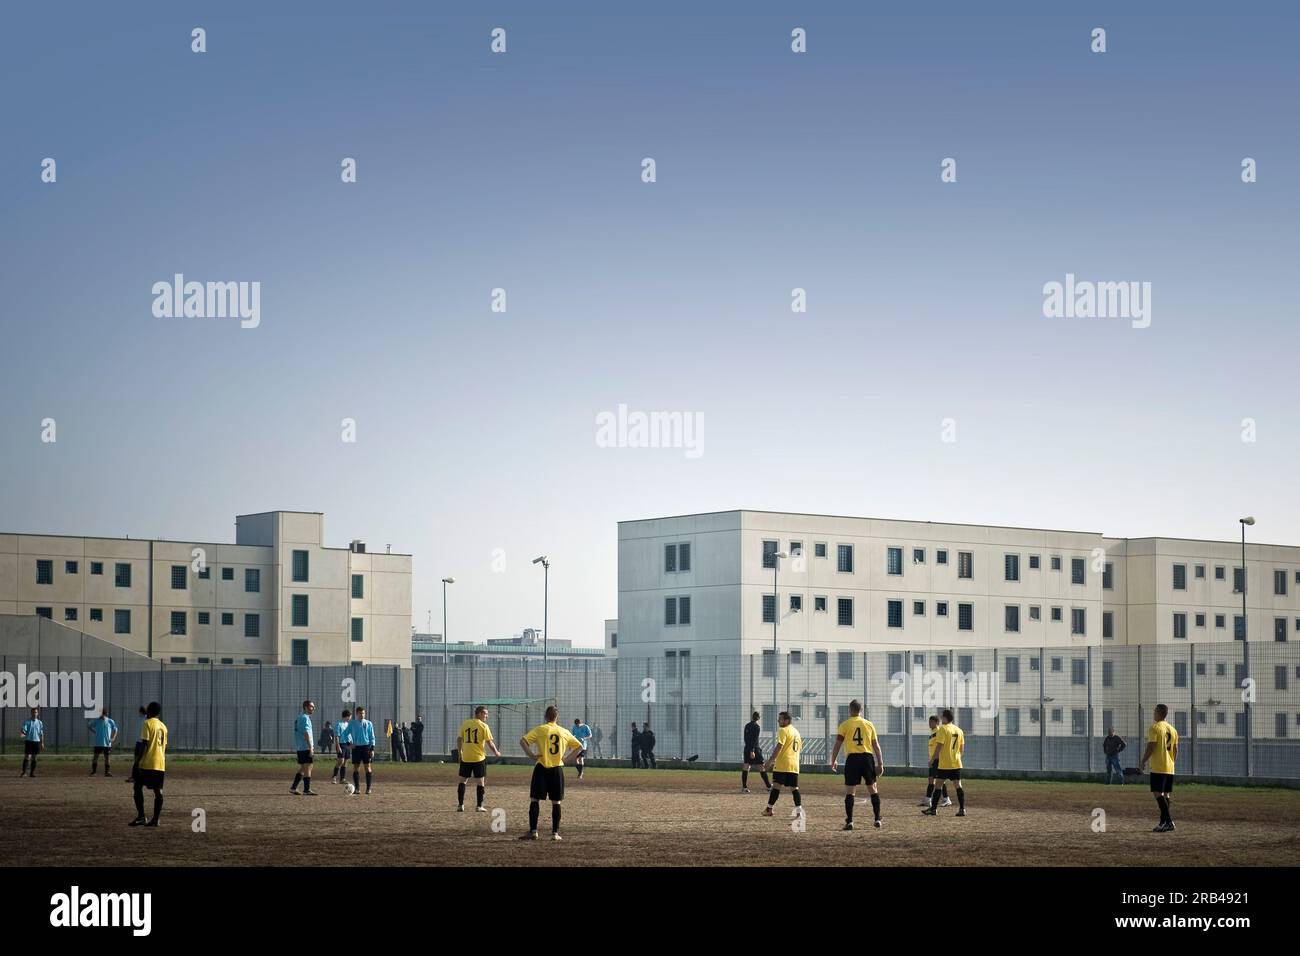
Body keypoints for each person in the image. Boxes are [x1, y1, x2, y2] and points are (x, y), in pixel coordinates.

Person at [518, 705, 583, 841]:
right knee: (556, 802)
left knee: (535, 800)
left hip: (541, 768)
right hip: (556, 770)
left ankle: (533, 831)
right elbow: (579, 747)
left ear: (545, 717)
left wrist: (531, 755)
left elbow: (523, 741)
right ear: (556, 717)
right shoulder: (563, 731)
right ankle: (555, 833)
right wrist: (566, 760)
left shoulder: (541, 729)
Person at [830, 699, 884, 830]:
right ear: (861, 710)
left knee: (850, 792)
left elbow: (838, 744)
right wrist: (880, 763)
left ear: (850, 709)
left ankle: (850, 821)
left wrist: (833, 760)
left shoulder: (844, 725)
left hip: (852, 759)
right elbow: (876, 745)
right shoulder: (869, 724)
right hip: (867, 758)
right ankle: (877, 818)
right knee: (873, 789)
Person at [1139, 704, 1179, 832]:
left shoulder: (1155, 728)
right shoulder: (1172, 729)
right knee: (1166, 794)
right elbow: (1175, 749)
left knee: (1157, 793)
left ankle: (1169, 821)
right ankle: (1163, 822)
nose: (1153, 713)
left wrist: (1143, 761)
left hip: (1159, 766)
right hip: (1170, 766)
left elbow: (1151, 746)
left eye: (1155, 711)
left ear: (1158, 713)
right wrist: (1172, 762)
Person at [456, 705, 502, 812]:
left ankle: (460, 805)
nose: (487, 716)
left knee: (462, 781)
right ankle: (479, 806)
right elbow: (489, 742)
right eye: (485, 713)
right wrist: (496, 752)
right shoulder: (484, 726)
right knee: (480, 782)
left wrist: (460, 753)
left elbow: (459, 739)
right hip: (478, 758)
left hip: (466, 757)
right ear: (479, 713)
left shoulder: (466, 723)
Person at [129, 702, 168, 828]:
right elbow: (164, 747)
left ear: (149, 711)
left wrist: (137, 762)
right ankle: (156, 819)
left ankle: (141, 817)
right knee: (158, 792)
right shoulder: (163, 726)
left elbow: (144, 744)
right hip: (160, 764)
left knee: (137, 787)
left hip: (147, 763)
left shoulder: (147, 723)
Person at [923, 709, 966, 817]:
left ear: (945, 718)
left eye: (942, 717)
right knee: (958, 786)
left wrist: (932, 760)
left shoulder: (943, 729)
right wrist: (957, 757)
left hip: (945, 763)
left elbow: (939, 746)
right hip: (956, 763)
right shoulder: (959, 730)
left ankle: (933, 809)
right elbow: (961, 749)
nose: (941, 719)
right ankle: (962, 809)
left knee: (938, 785)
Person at [762, 712, 802, 818]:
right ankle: (799, 811)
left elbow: (780, 746)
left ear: (786, 720)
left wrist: (770, 761)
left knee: (776, 787)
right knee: (794, 789)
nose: (778, 721)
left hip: (783, 764)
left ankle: (769, 809)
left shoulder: (783, 730)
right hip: (794, 765)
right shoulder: (796, 732)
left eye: (780, 719)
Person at [919, 715, 950, 808]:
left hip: (938, 759)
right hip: (934, 759)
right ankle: (929, 799)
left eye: (932, 722)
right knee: (934, 779)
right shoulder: (933, 732)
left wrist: (934, 759)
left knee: (936, 780)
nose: (929, 723)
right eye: (929, 722)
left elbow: (940, 746)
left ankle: (944, 799)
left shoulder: (939, 732)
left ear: (937, 723)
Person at [291, 700, 318, 796]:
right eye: (311, 706)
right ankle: (306, 790)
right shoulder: (305, 718)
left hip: (300, 747)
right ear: (306, 707)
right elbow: (306, 734)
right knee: (308, 767)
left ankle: (293, 788)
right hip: (305, 747)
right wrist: (310, 747)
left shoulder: (300, 717)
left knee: (304, 767)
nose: (313, 708)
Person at [349, 706, 377, 795]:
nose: (362, 715)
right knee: (356, 768)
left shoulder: (369, 723)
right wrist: (350, 743)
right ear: (357, 714)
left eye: (363, 713)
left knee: (367, 767)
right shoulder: (352, 723)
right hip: (356, 748)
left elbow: (372, 737)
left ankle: (368, 788)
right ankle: (357, 788)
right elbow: (346, 734)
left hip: (366, 748)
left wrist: (372, 749)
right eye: (360, 713)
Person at [741, 711, 771, 793]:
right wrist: (752, 751)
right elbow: (754, 740)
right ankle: (768, 786)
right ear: (758, 718)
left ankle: (744, 787)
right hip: (755, 749)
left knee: (746, 766)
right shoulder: (757, 727)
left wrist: (748, 749)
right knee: (761, 767)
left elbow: (746, 739)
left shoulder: (747, 725)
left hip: (747, 748)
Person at [88, 708, 119, 777]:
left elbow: (115, 729)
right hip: (98, 743)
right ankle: (94, 772)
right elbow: (89, 726)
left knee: (107, 758)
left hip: (107, 743)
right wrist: (95, 731)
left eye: (101, 714)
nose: (100, 715)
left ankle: (107, 772)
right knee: (95, 757)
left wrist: (113, 738)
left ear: (105, 714)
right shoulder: (96, 721)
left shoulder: (110, 721)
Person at [19, 707, 44, 778]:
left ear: (37, 713)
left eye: (36, 712)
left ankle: (32, 773)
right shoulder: (27, 722)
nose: (34, 714)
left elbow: (41, 733)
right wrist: (22, 734)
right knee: (27, 757)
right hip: (29, 741)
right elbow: (24, 730)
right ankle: (24, 772)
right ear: (31, 713)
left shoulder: (40, 722)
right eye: (33, 712)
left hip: (36, 741)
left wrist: (42, 743)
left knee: (34, 757)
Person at [126, 705, 147, 784]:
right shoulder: (140, 719)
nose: (138, 713)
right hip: (139, 742)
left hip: (142, 743)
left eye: (139, 711)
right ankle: (135, 777)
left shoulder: (146, 719)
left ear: (141, 711)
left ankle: (137, 777)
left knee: (139, 761)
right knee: (137, 760)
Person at [332, 709, 352, 784]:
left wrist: (351, 742)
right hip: (341, 744)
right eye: (350, 716)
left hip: (347, 744)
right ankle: (334, 777)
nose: (350, 718)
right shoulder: (339, 724)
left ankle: (342, 779)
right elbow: (337, 736)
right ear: (347, 716)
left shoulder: (347, 724)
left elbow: (349, 735)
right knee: (340, 761)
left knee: (346, 761)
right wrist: (338, 746)